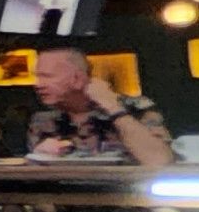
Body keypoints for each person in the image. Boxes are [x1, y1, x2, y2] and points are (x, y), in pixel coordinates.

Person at [25, 45, 173, 166]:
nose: (38, 85)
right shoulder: (43, 120)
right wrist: (38, 157)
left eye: (47, 76)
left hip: (126, 196)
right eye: (37, 77)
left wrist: (113, 109)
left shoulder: (135, 108)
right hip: (68, 197)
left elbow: (159, 160)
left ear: (78, 78)